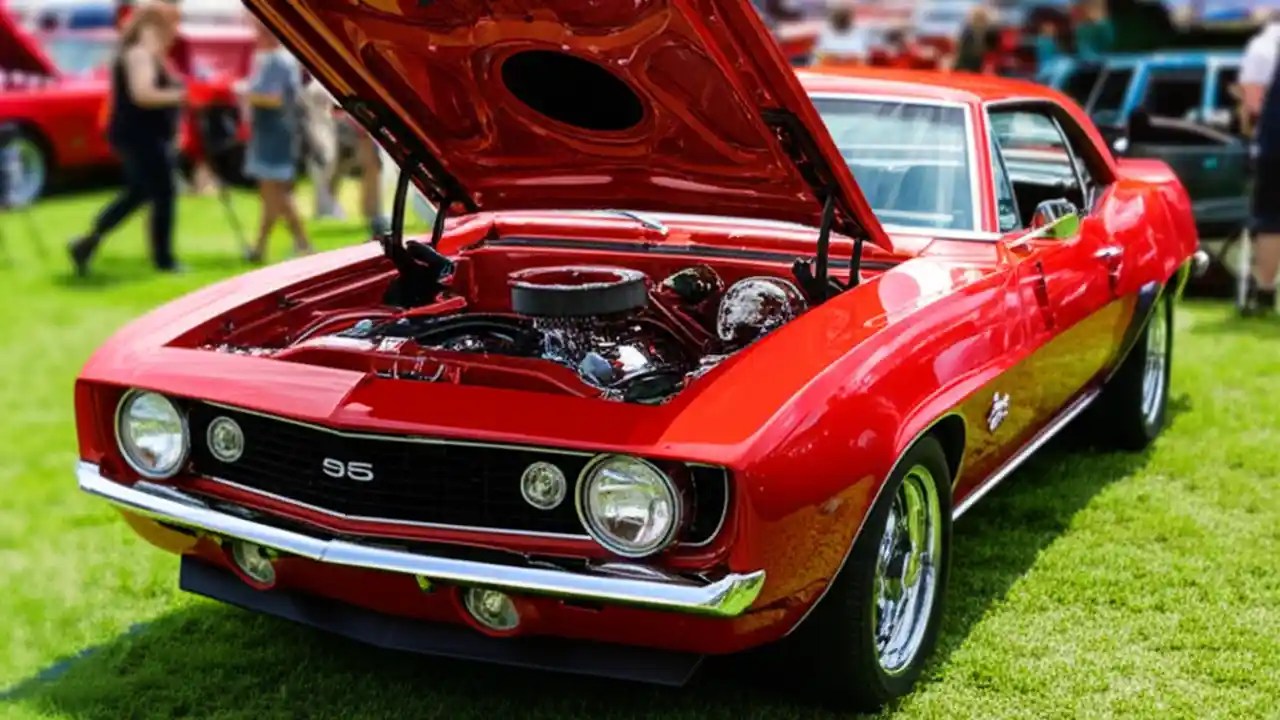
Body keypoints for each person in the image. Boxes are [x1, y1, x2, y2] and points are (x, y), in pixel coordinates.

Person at [69, 1, 185, 276]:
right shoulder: (139, 54)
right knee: (163, 193)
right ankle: (164, 259)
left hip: (143, 134)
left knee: (140, 192)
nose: (174, 31)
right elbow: (142, 94)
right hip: (141, 135)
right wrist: (181, 95)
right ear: (153, 25)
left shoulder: (147, 54)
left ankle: (87, 242)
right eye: (170, 24)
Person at [242, 17, 312, 263]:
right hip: (270, 132)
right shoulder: (273, 59)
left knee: (278, 193)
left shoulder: (277, 61)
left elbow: (274, 98)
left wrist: (245, 93)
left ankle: (298, 243)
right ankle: (261, 247)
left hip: (276, 133)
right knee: (272, 193)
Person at [1239, 12, 1280, 316]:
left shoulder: (1263, 45)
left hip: (1275, 145)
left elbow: (1253, 103)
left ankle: (1265, 292)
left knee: (1270, 219)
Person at [952, 5, 996, 73]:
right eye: (977, 18)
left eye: (981, 18)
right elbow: (960, 52)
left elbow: (990, 53)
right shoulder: (967, 33)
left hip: (979, 68)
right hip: (964, 66)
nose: (979, 21)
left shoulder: (990, 34)